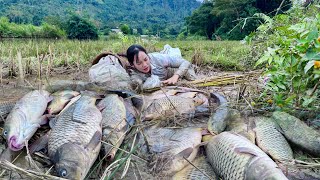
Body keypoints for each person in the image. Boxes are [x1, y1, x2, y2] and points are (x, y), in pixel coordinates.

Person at [126, 44, 197, 88]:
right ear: (132, 65)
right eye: (139, 63)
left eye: (145, 59)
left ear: (148, 56)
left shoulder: (159, 59)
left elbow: (185, 62)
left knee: (190, 76)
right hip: (163, 83)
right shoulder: (134, 73)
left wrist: (176, 76)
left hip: (172, 70)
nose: (144, 65)